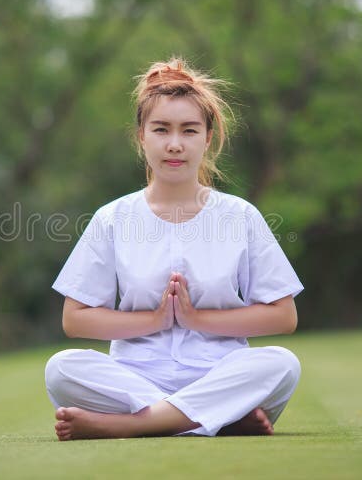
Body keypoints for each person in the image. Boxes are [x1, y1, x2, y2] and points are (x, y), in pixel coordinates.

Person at [45, 57, 303, 441]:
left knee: (282, 364)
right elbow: (75, 319)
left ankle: (131, 426)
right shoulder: (113, 218)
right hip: (136, 378)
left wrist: (196, 319)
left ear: (208, 138)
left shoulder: (240, 215)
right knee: (61, 368)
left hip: (220, 372)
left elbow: (284, 316)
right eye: (161, 129)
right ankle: (215, 420)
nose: (175, 144)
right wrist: (156, 321)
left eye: (189, 130)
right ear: (141, 137)